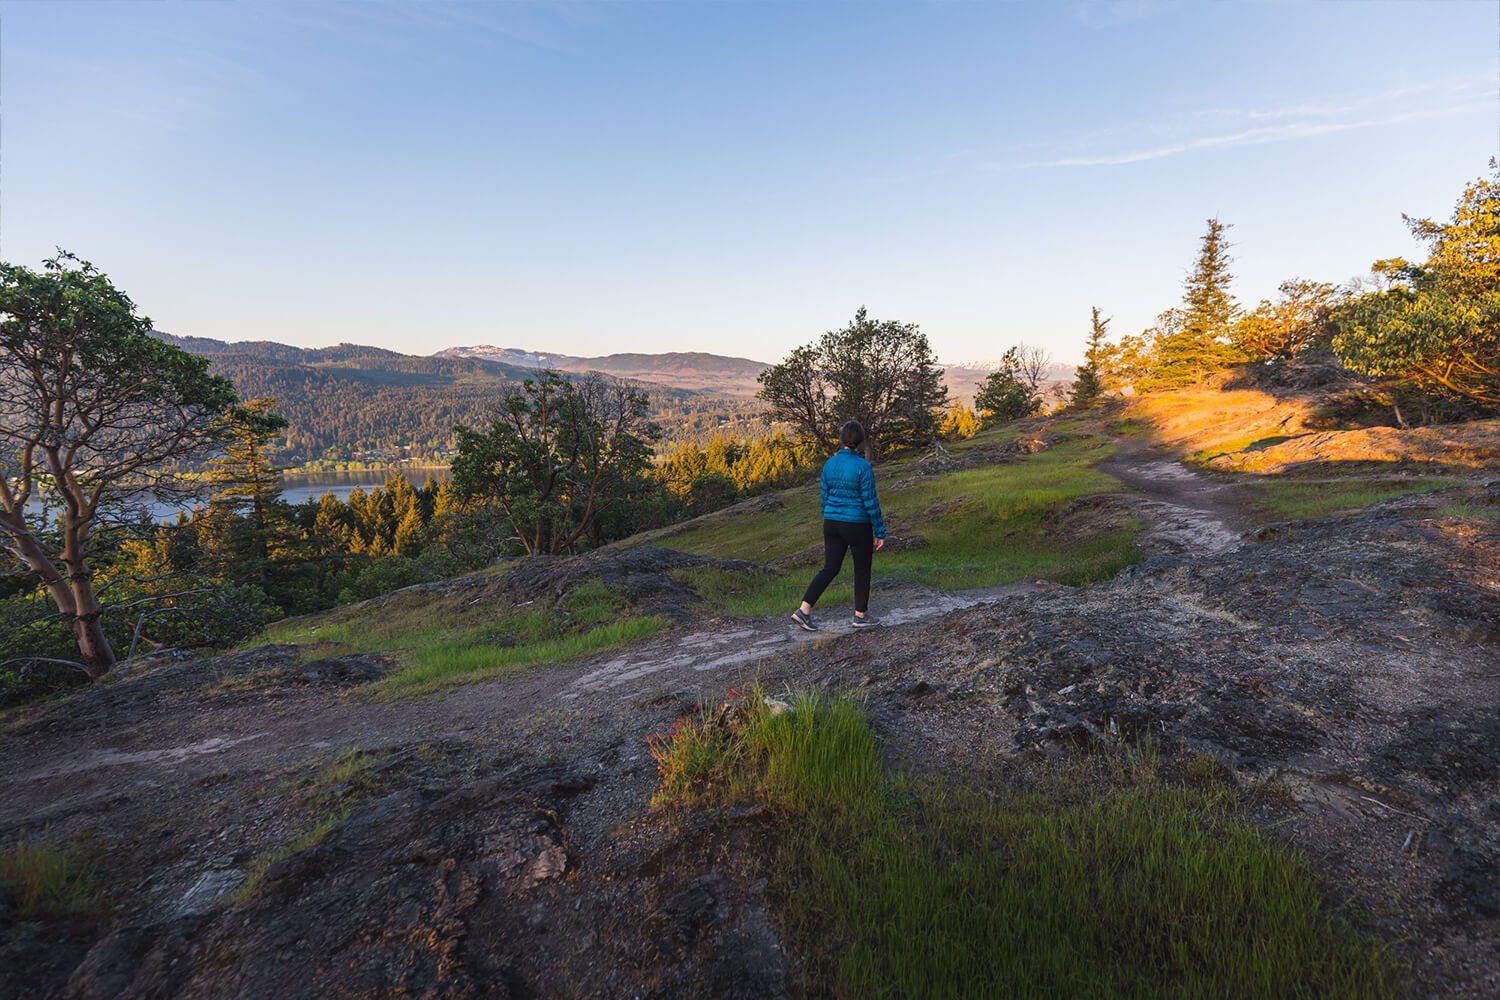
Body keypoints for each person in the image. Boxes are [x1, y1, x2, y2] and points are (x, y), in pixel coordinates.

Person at [792, 420, 886, 631]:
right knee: (861, 569)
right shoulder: (863, 466)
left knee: (830, 568)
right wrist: (879, 530)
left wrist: (831, 515)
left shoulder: (829, 464)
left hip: (832, 523)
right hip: (857, 524)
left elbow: (824, 496)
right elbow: (870, 501)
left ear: (842, 438)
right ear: (861, 440)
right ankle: (860, 616)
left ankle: (803, 610)